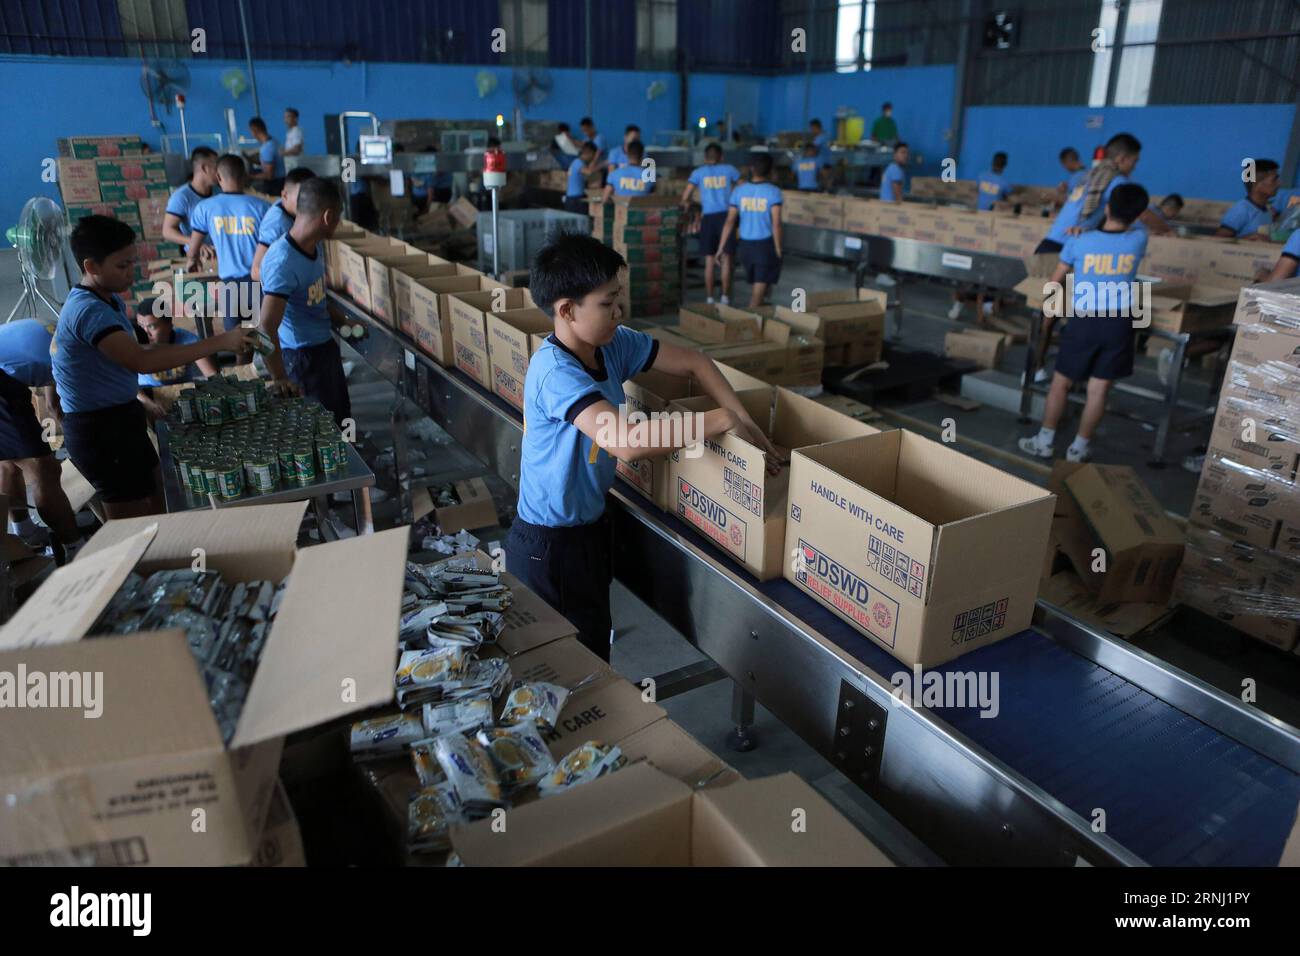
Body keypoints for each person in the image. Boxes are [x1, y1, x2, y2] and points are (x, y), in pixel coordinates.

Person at [505, 232, 778, 661]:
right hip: (548, 547)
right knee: (563, 667)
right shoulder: (554, 371)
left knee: (593, 651)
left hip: (589, 530)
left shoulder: (610, 345)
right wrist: (719, 421)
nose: (619, 311)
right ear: (566, 310)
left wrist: (744, 421)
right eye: (607, 303)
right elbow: (625, 442)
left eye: (619, 299)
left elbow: (696, 362)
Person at [55, 216, 253, 518]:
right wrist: (219, 342)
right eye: (122, 266)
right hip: (100, 429)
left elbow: (139, 350)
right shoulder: (88, 311)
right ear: (91, 267)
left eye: (131, 263)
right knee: (133, 525)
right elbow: (141, 361)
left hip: (121, 418)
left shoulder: (107, 300)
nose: (130, 274)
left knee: (159, 502)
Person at [1018, 184, 1150, 464]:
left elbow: (1055, 281)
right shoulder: (1139, 239)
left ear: (1107, 207)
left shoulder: (1078, 242)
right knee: (1098, 389)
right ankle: (1078, 448)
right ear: (1137, 214)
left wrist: (1049, 313)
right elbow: (1133, 225)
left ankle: (1045, 441)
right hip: (1119, 322)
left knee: (1060, 384)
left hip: (1084, 320)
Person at [257, 178, 351, 427]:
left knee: (339, 424)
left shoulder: (314, 247)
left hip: (324, 351)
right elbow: (265, 329)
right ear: (328, 216)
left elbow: (313, 297)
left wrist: (341, 319)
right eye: (340, 216)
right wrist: (279, 377)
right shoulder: (282, 262)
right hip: (302, 360)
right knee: (319, 433)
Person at [0, 318, 82, 563]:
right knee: (43, 468)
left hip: (7, 381)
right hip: (3, 387)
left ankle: (26, 534)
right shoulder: (76, 356)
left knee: (7, 462)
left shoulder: (61, 337)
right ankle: (76, 548)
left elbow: (52, 403)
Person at [185, 154, 270, 329]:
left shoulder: (205, 208)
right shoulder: (262, 207)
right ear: (245, 176)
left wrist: (192, 260)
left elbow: (193, 249)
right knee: (263, 339)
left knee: (236, 341)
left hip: (229, 286)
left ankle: (242, 358)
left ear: (218, 177)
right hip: (258, 281)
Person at [135, 297, 218, 422]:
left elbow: (212, 375)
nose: (146, 333)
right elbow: (126, 383)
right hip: (147, 396)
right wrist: (148, 403)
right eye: (141, 327)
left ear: (169, 326)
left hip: (183, 396)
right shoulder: (134, 344)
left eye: (152, 326)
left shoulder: (187, 341)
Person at [717, 152, 783, 308]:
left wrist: (720, 248)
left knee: (761, 287)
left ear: (752, 169)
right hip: (765, 246)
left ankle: (758, 319)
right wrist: (779, 249)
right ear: (770, 170)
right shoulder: (773, 192)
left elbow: (729, 222)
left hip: (745, 247)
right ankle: (748, 325)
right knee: (756, 297)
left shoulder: (739, 191)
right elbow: (776, 224)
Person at [682, 142, 742, 305]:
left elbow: (685, 196)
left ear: (705, 157)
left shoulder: (698, 173)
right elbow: (743, 189)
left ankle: (709, 298)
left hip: (708, 218)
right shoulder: (730, 170)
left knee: (709, 261)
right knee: (726, 260)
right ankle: (725, 298)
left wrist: (695, 206)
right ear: (721, 156)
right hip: (726, 217)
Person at [251, 167, 316, 281]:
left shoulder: (292, 210)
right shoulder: (277, 223)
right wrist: (295, 280)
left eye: (311, 197)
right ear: (285, 195)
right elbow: (256, 271)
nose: (308, 203)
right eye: (301, 198)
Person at [162, 146, 219, 248]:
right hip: (199, 256)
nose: (219, 171)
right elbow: (167, 231)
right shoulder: (181, 197)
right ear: (204, 168)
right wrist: (196, 243)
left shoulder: (220, 192)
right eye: (216, 167)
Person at [1216, 159, 1280, 240]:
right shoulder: (1241, 209)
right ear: (1257, 184)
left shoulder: (1268, 211)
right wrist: (1247, 239)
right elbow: (1217, 240)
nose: (1279, 184)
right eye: (1274, 180)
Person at [248, 116, 285, 195]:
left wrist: (249, 177)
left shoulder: (267, 148)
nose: (251, 134)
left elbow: (269, 175)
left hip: (275, 185)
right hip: (281, 181)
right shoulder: (274, 141)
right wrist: (250, 159)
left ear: (255, 130)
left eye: (251, 131)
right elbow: (267, 162)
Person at [564, 141, 599, 214]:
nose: (592, 159)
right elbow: (589, 172)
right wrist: (599, 163)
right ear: (590, 153)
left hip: (573, 198)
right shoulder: (578, 162)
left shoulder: (577, 162)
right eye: (593, 156)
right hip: (575, 200)